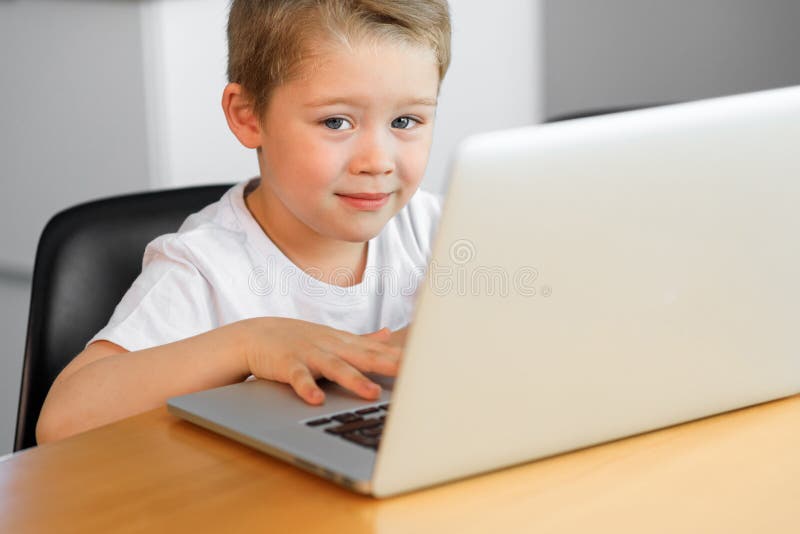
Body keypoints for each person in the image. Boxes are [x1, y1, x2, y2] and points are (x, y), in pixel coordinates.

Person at [36, 0, 451, 444]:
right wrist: (249, 343)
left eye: (405, 121)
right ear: (247, 115)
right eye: (336, 121)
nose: (377, 162)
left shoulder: (440, 228)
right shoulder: (204, 267)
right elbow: (61, 422)